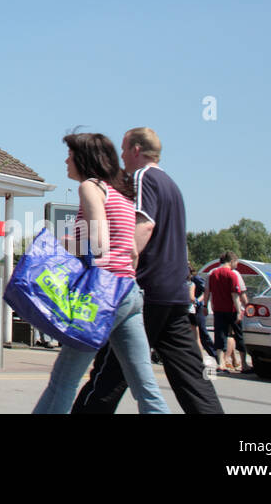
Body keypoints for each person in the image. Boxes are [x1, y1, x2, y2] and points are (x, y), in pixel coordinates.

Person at [72, 127, 224, 414]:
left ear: (136, 150)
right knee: (191, 376)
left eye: (123, 149)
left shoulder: (144, 177)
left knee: (108, 374)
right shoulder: (172, 185)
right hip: (175, 293)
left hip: (148, 289)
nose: (121, 157)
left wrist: (124, 264)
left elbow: (144, 225)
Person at [32, 133, 168, 414]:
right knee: (144, 386)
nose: (66, 160)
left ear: (84, 158)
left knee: (62, 381)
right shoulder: (122, 193)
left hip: (103, 295)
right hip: (128, 291)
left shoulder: (91, 187)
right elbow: (131, 251)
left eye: (70, 155)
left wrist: (62, 242)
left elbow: (98, 242)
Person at [207, 252, 248, 372]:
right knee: (239, 336)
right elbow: (235, 295)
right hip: (231, 309)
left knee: (220, 335)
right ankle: (244, 364)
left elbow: (209, 292)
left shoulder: (213, 274)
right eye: (236, 263)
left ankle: (221, 363)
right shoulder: (232, 274)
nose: (237, 265)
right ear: (231, 261)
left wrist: (206, 306)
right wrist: (239, 311)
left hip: (218, 309)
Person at [188, 265, 216, 364]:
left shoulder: (196, 279)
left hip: (197, 308)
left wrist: (198, 301)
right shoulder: (183, 280)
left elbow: (205, 292)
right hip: (190, 308)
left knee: (202, 332)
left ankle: (214, 355)